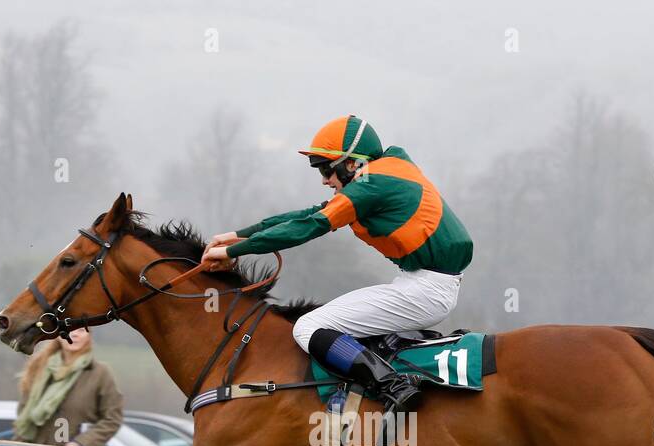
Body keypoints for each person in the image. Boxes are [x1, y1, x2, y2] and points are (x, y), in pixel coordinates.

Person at [201, 114, 473, 412]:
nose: (324, 179)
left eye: (326, 168)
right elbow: (302, 216)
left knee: (308, 327)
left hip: (426, 291)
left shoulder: (372, 184)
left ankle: (391, 385)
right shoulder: (379, 177)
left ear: (352, 163)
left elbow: (312, 226)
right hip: (420, 284)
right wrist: (235, 237)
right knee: (331, 324)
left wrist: (233, 253)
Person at [14, 327, 124, 446]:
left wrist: (80, 443)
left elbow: (112, 419)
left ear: (89, 335)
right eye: (68, 329)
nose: (74, 334)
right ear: (57, 335)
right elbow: (23, 413)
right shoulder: (39, 368)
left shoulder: (100, 373)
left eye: (81, 330)